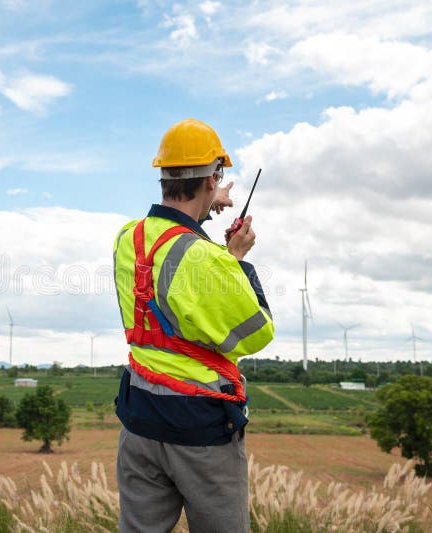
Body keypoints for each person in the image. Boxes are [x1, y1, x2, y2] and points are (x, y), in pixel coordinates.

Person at [113, 118, 275, 532]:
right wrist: (236, 259)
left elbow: (171, 245)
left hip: (139, 417)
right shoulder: (211, 260)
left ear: (164, 176)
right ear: (210, 179)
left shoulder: (128, 238)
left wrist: (204, 202)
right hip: (199, 428)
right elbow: (258, 331)